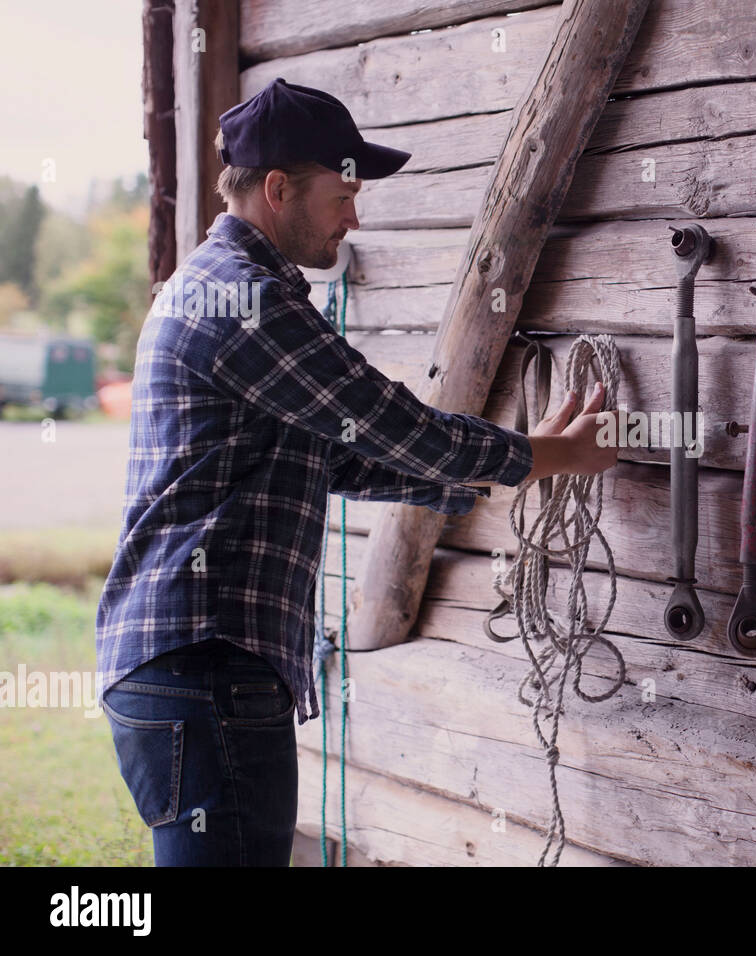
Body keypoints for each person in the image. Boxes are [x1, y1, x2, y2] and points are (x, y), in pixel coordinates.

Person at [94, 77, 617, 866]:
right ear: (277, 190)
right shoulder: (244, 300)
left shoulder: (218, 286)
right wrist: (544, 456)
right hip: (206, 667)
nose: (355, 215)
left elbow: (334, 453)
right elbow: (387, 421)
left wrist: (490, 475)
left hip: (187, 669)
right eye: (343, 193)